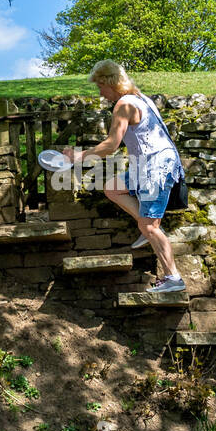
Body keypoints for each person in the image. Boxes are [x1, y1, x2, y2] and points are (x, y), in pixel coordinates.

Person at [62, 60, 186, 293]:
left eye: (100, 86)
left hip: (155, 166)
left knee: (150, 227)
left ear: (110, 83)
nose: (100, 92)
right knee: (113, 188)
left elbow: (111, 145)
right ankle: (146, 226)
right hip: (151, 163)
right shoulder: (142, 98)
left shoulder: (123, 104)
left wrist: (79, 156)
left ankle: (173, 278)